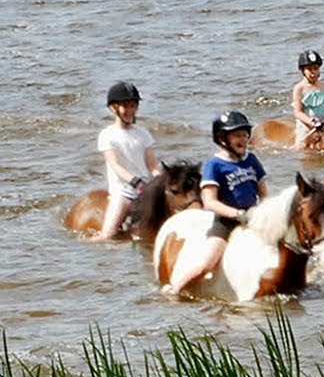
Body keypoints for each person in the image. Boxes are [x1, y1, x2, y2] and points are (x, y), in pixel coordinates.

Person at [163, 111, 267, 296]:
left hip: (253, 218)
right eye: (237, 135)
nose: (242, 139)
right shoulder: (215, 165)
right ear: (222, 139)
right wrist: (237, 214)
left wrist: (266, 213)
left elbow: (263, 193)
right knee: (207, 264)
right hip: (226, 222)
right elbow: (209, 202)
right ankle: (175, 289)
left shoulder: (251, 160)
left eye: (244, 135)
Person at [94, 81, 161, 241]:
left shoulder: (143, 133)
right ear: (113, 108)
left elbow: (152, 165)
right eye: (126, 106)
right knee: (108, 235)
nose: (130, 111)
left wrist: (159, 178)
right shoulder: (107, 135)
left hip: (147, 189)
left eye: (133, 106)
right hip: (123, 191)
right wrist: (135, 181)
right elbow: (115, 165)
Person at [291, 50, 324, 149]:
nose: (313, 72)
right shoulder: (299, 88)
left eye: (315, 68)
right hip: (307, 125)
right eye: (309, 69)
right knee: (300, 146)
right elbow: (298, 112)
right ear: (303, 71)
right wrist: (310, 121)